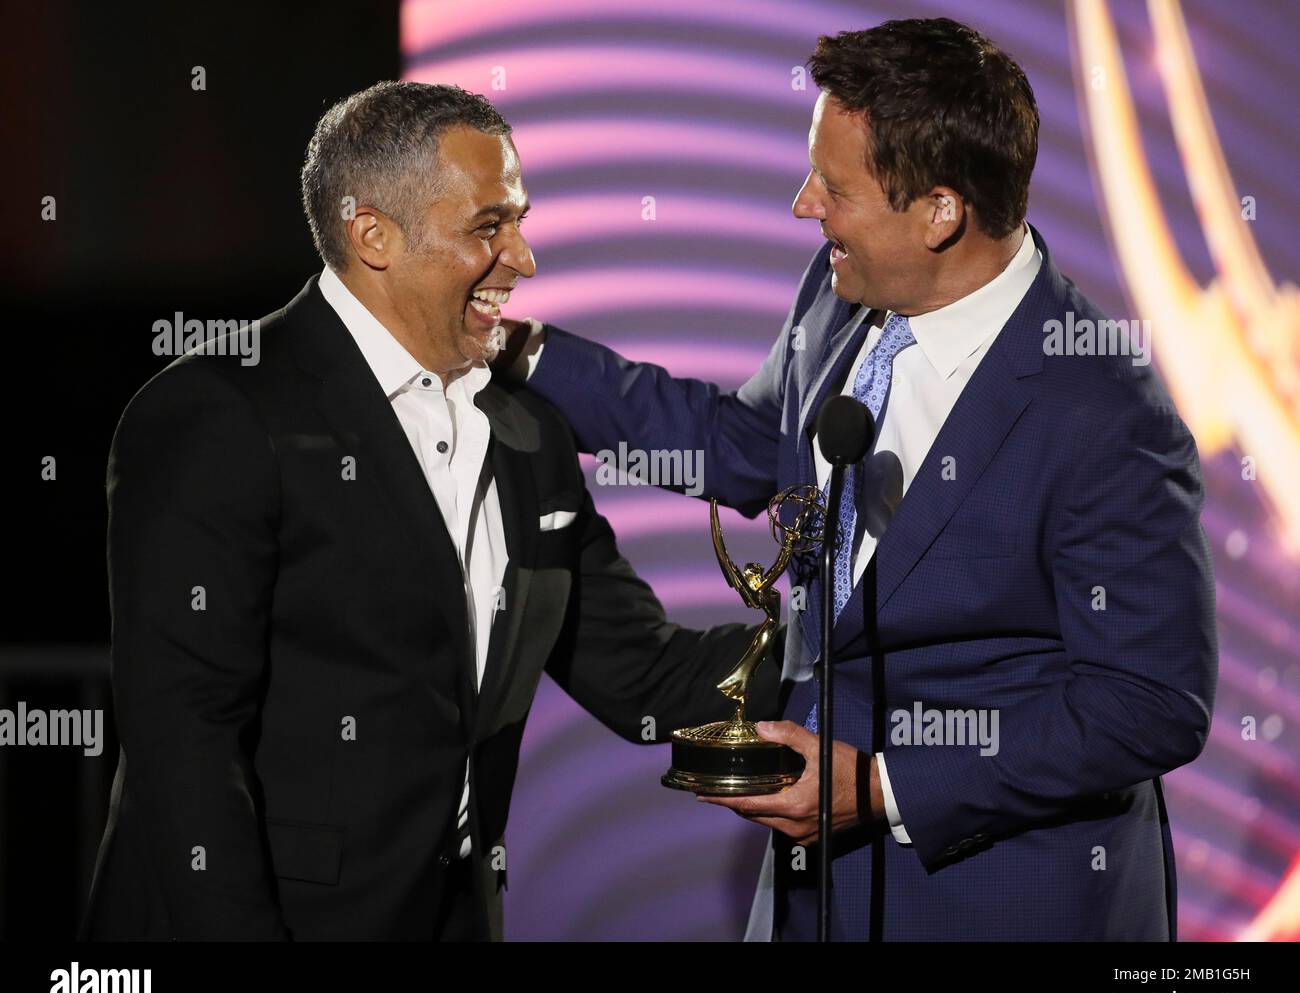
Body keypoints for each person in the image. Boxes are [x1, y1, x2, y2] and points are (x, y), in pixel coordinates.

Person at [502, 19, 1217, 940]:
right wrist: (520, 355)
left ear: (940, 212)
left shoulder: (1104, 416)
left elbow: (1147, 705)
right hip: (817, 894)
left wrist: (881, 787)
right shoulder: (846, 290)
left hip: (996, 899)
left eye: (834, 189)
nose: (806, 207)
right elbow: (751, 447)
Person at [79, 81, 787, 942]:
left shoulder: (527, 432)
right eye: (489, 227)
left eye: (519, 221)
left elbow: (642, 678)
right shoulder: (220, 413)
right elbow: (184, 750)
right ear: (373, 235)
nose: (523, 259)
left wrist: (862, 628)